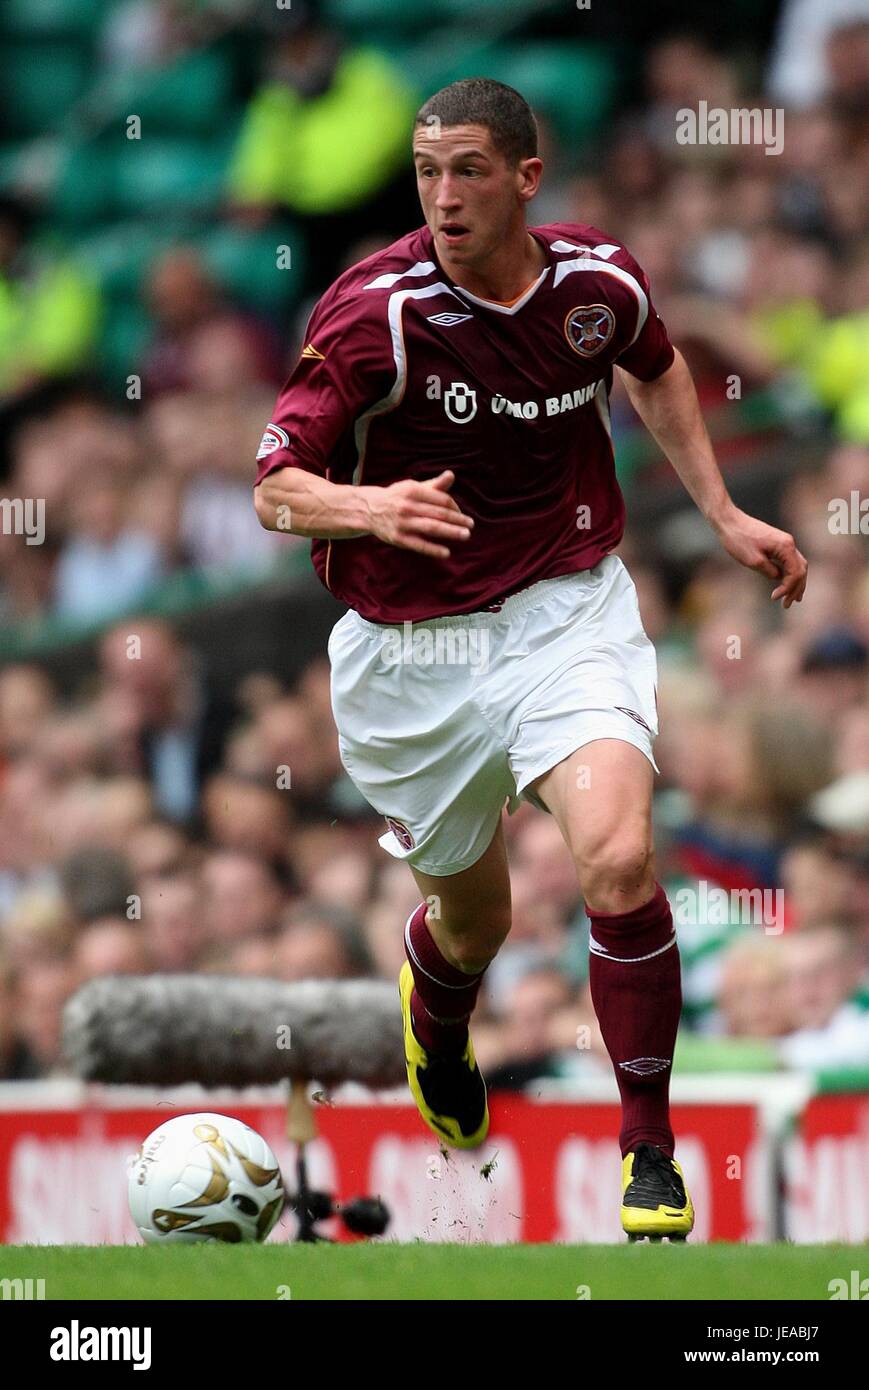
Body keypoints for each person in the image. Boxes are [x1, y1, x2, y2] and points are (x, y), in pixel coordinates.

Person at [253, 78, 807, 1242]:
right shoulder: (376, 312)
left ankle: (646, 1150)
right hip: (412, 656)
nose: (442, 195)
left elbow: (653, 366)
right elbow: (274, 489)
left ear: (524, 179)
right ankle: (438, 1014)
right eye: (424, 171)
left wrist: (714, 511)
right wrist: (366, 507)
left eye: (465, 169)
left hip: (567, 607)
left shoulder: (596, 284)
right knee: (474, 926)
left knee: (615, 855)